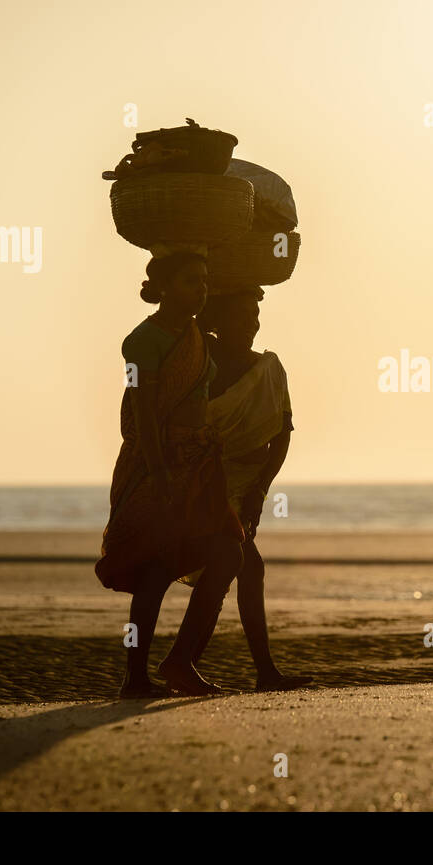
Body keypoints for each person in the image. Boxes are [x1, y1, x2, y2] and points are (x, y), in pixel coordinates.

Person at [95, 252, 246, 698]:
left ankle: (180, 661)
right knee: (156, 569)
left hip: (199, 464)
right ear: (161, 287)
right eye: (188, 281)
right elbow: (142, 409)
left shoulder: (197, 335)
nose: (199, 288)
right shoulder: (142, 341)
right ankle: (136, 675)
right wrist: (159, 471)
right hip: (159, 465)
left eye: (203, 280)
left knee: (226, 554)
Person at [183, 288, 313, 692]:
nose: (252, 324)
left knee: (233, 566)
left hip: (246, 486)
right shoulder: (204, 361)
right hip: (206, 483)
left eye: (255, 316)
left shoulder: (268, 369)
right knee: (235, 565)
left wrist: (260, 488)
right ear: (221, 321)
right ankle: (187, 665)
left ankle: (189, 666)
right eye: (242, 316)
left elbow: (283, 435)